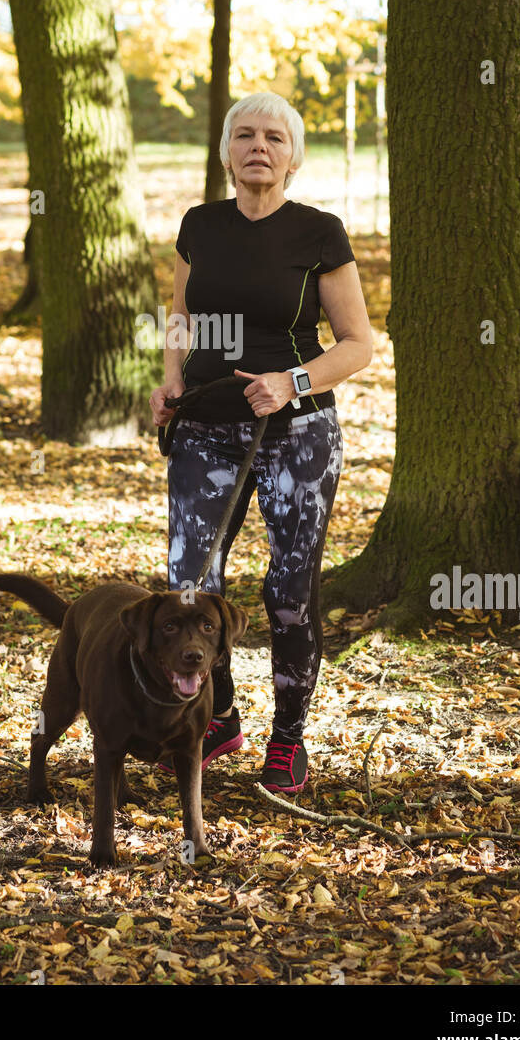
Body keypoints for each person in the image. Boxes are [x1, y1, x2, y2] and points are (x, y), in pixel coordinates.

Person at [149, 91, 374, 794]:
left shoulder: (318, 233)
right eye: (243, 135)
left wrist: (291, 381)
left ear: (292, 155)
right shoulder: (200, 225)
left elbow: (359, 344)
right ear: (226, 151)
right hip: (206, 429)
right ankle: (217, 717)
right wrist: (169, 382)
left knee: (287, 589)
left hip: (295, 435)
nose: (258, 147)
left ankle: (287, 740)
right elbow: (182, 314)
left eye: (273, 137)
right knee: (191, 587)